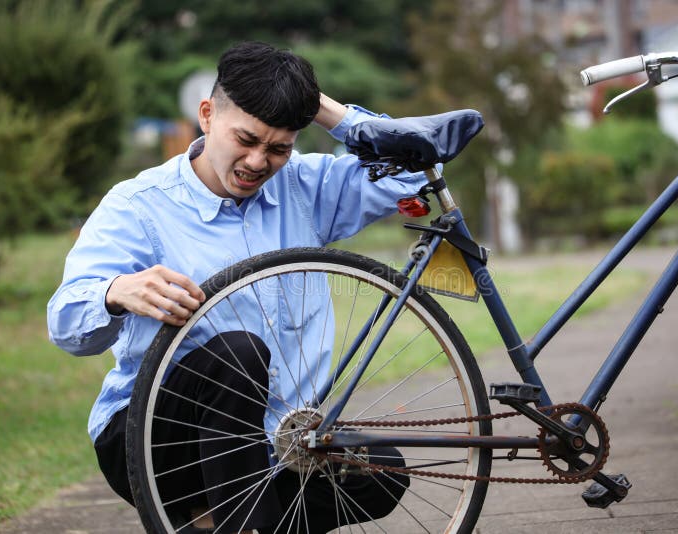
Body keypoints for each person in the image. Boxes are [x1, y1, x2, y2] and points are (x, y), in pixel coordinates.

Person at [47, 41, 425, 532]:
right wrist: (116, 291)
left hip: (277, 447)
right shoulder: (138, 205)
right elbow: (65, 324)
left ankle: (222, 522)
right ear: (207, 115)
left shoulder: (306, 187)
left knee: (383, 472)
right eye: (245, 139)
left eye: (278, 148)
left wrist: (323, 110)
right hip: (153, 438)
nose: (257, 161)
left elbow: (417, 171)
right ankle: (231, 519)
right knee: (239, 354)